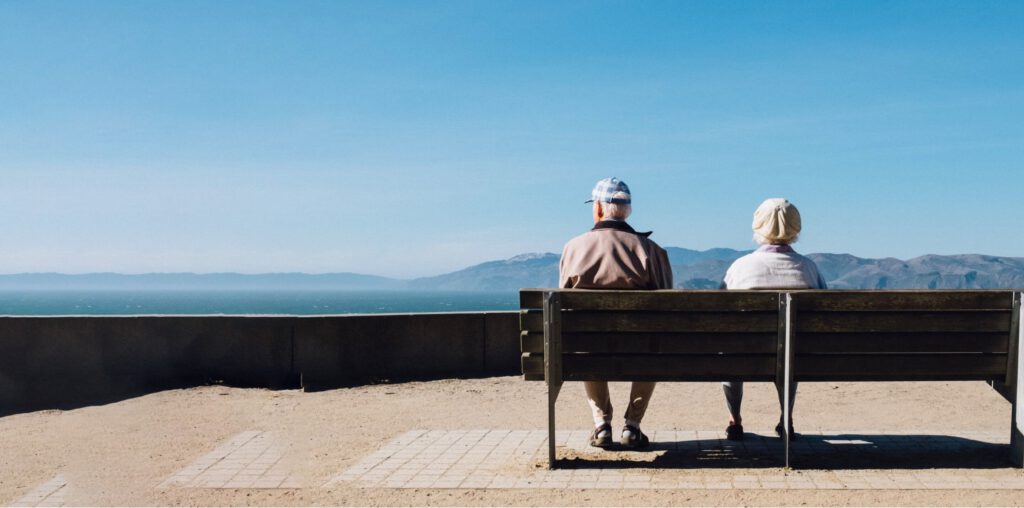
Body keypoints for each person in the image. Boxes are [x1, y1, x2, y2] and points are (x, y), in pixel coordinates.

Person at [559, 177, 673, 449]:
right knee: (651, 347)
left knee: (585, 342)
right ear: (627, 211)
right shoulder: (651, 251)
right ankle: (632, 426)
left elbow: (563, 307)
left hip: (590, 349)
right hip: (640, 348)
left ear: (598, 208)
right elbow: (669, 306)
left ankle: (601, 425)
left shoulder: (573, 248)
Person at [720, 198, 827, 442]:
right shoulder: (809, 269)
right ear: (796, 228)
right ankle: (785, 418)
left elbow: (720, 315)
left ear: (757, 227)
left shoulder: (741, 268)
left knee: (729, 354)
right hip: (797, 357)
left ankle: (735, 420)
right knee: (789, 351)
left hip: (744, 356)